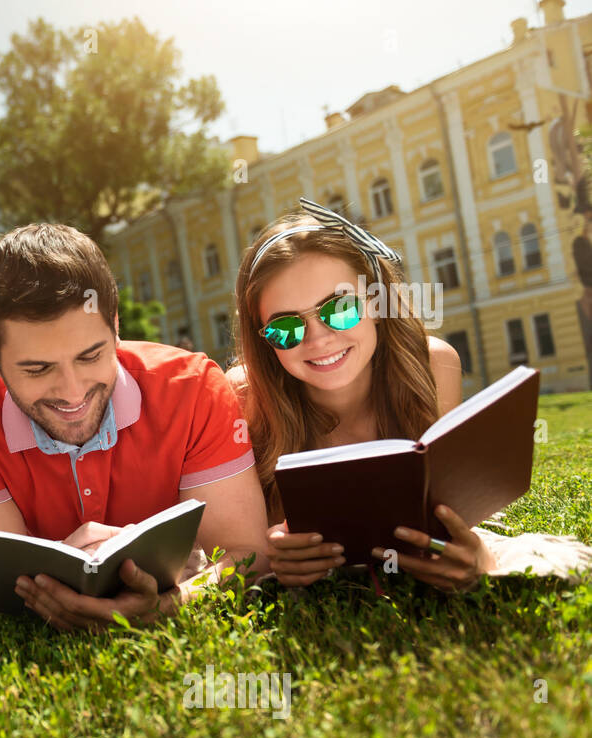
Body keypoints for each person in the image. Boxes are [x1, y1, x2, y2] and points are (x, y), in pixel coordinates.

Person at [229, 199, 592, 589]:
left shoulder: (433, 366)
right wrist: (277, 556)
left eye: (340, 308)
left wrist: (474, 557)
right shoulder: (244, 396)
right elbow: (245, 543)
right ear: (264, 339)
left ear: (376, 300)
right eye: (286, 328)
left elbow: (449, 514)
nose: (319, 339)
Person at [0, 224, 270, 631]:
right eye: (38, 369)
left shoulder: (195, 387)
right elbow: (7, 589)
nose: (72, 392)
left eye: (90, 356)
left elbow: (247, 554)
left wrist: (172, 604)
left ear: (115, 324)